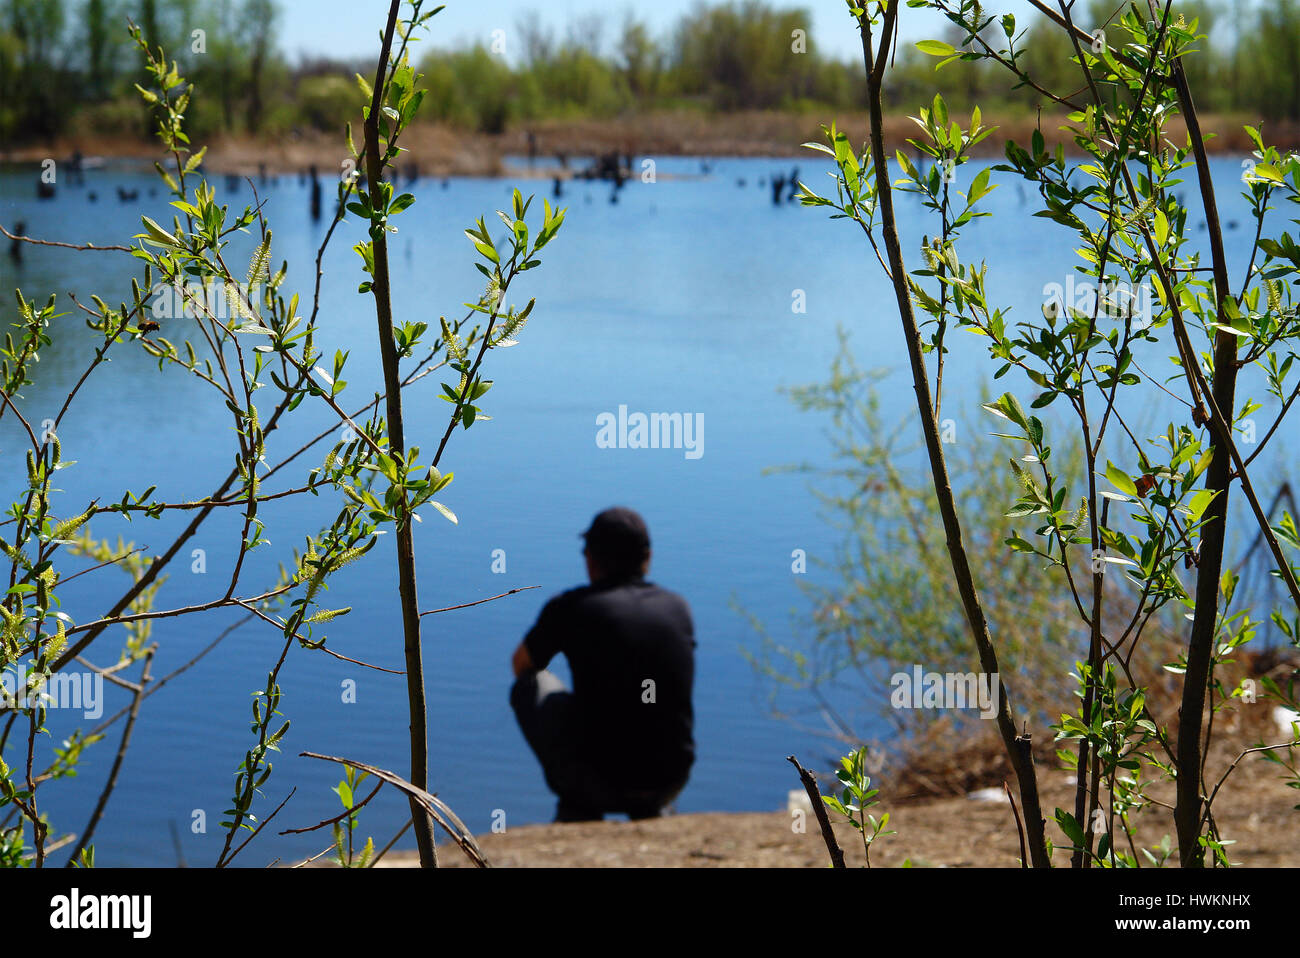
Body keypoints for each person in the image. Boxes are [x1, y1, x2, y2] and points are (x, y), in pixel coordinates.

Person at [509, 507, 695, 822]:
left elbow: (521, 664)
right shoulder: (677, 608)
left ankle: (578, 810)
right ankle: (650, 808)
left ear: (590, 559)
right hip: (670, 777)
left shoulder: (570, 607)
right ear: (647, 558)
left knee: (532, 685)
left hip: (595, 782)